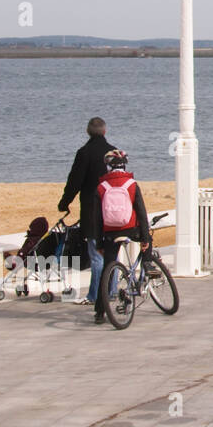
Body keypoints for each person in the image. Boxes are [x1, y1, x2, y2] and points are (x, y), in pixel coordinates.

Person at [58, 116, 116, 306]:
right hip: (114, 211)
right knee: (111, 254)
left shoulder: (84, 153)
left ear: (88, 132)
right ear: (105, 131)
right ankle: (112, 291)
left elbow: (74, 181)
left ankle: (95, 296)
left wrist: (64, 203)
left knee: (96, 256)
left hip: (93, 212)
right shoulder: (114, 153)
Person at [93, 151, 153, 325]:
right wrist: (145, 238)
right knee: (147, 239)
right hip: (131, 229)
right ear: (124, 166)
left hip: (110, 233)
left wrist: (99, 242)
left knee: (107, 269)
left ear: (109, 167)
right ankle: (148, 264)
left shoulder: (101, 187)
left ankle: (99, 312)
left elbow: (97, 219)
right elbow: (141, 213)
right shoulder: (132, 185)